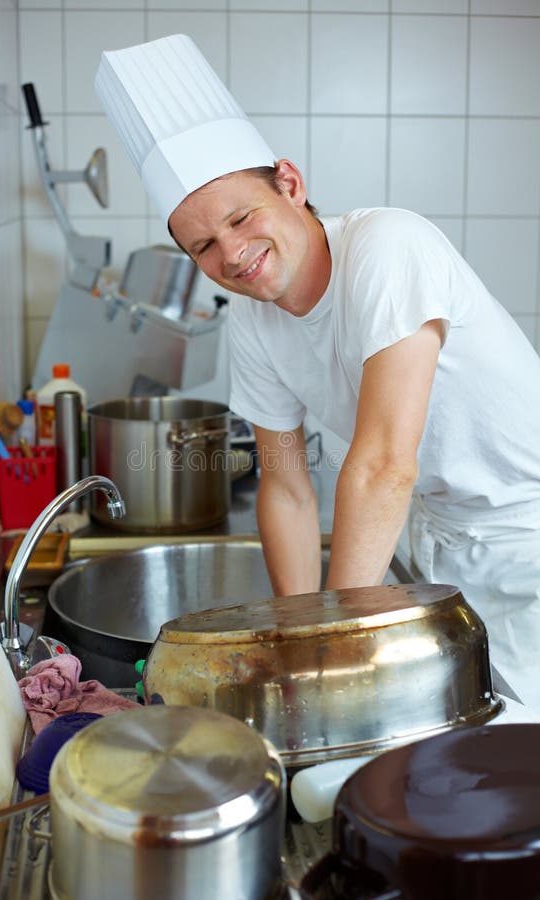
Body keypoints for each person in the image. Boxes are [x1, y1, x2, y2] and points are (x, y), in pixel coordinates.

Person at [96, 34, 540, 710]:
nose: (234, 255)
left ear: (291, 184)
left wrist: (327, 646)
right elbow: (286, 488)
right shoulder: (255, 318)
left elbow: (384, 464)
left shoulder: (389, 248)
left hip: (526, 550)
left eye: (242, 218)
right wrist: (296, 639)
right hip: (439, 556)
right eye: (204, 247)